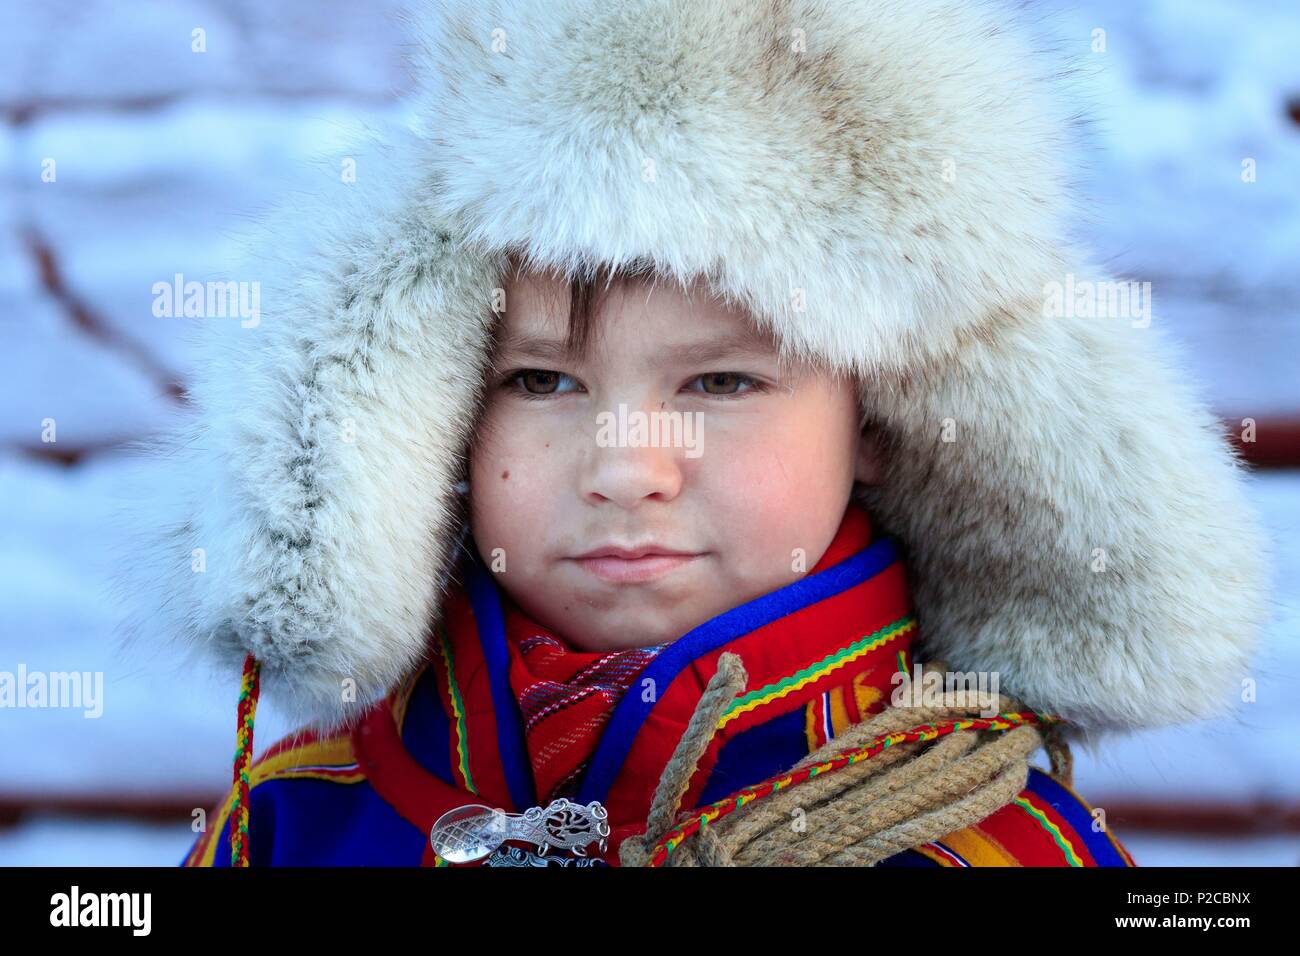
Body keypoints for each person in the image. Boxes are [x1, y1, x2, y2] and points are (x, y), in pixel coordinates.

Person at [134, 0, 1268, 867]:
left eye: (721, 379)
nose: (627, 464)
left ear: (876, 412)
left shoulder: (983, 837)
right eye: (539, 379)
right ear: (433, 409)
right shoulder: (298, 817)